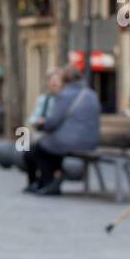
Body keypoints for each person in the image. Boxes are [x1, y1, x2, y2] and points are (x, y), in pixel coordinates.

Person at [22, 64, 100, 195]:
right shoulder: (91, 94)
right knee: (47, 147)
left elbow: (52, 122)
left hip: (72, 141)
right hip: (91, 142)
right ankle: (48, 181)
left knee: (39, 148)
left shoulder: (65, 95)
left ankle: (49, 182)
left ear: (65, 80)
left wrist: (43, 124)